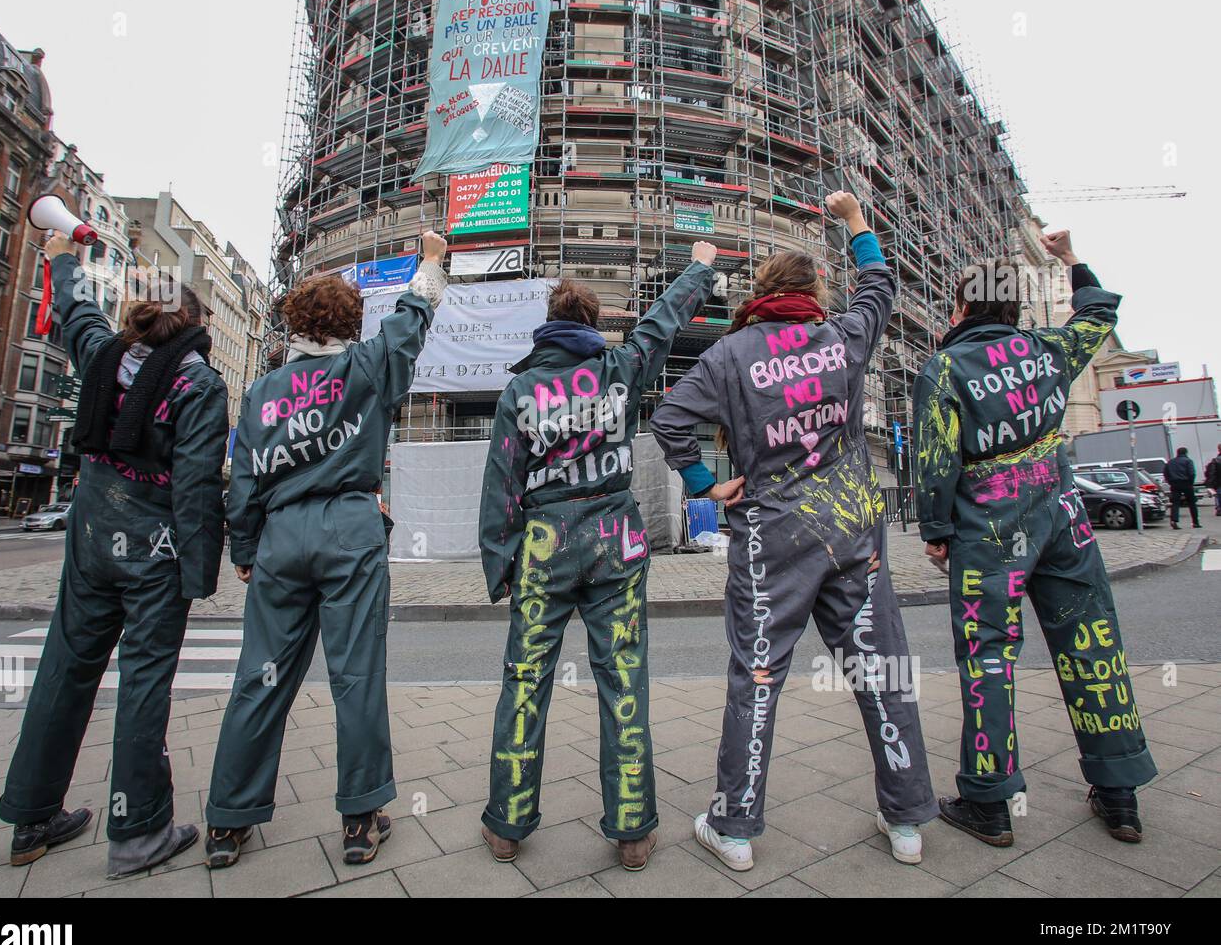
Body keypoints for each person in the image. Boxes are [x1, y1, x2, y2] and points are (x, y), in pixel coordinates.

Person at [649, 193, 938, 871]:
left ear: (762, 293)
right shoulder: (843, 337)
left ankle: (737, 828)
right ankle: (906, 823)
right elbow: (880, 284)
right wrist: (856, 221)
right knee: (880, 669)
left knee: (756, 674)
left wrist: (702, 484)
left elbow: (668, 418)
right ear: (813, 293)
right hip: (853, 532)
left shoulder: (730, 355)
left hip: (770, 539)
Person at [204, 231, 448, 869]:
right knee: (357, 675)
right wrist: (428, 260)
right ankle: (361, 819)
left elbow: (243, 479)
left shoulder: (260, 395)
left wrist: (246, 547)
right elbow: (413, 317)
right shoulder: (368, 367)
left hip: (282, 535)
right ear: (350, 323)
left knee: (259, 676)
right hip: (350, 526)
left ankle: (228, 823)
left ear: (294, 327)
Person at [477, 241, 720, 872]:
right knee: (624, 680)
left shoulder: (521, 391)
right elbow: (662, 322)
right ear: (589, 327)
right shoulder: (619, 369)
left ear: (548, 329)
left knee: (525, 682)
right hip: (616, 538)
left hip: (543, 542)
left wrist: (499, 564)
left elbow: (502, 483)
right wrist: (700, 265)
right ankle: (633, 830)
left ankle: (507, 826)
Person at [913, 230, 1157, 847]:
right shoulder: (1048, 349)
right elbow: (1099, 313)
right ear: (1015, 312)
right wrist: (1072, 259)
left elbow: (936, 457)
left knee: (989, 658)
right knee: (1093, 644)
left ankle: (991, 803)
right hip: (1063, 517)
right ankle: (1119, 793)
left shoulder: (946, 366)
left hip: (988, 530)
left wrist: (937, 530)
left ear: (962, 310)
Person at [0, 231, 229, 877]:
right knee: (144, 684)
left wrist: (60, 256)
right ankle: (137, 830)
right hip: (154, 550)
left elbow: (76, 310)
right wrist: (198, 570)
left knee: (65, 668)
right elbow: (195, 488)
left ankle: (32, 814)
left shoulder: (103, 355)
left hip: (93, 541)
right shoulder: (196, 384)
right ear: (191, 324)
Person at [1165, 447, 1201, 529]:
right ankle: (1195, 522)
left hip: (1174, 484)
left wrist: (1170, 482)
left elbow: (1166, 473)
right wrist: (1190, 483)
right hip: (1186, 483)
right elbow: (1192, 473)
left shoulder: (1170, 462)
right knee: (1192, 503)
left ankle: (1174, 520)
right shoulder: (1188, 461)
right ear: (1186, 453)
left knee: (1175, 503)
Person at [1205, 444, 1221, 517]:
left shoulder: (1216, 460)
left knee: (1218, 495)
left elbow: (1212, 473)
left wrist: (1210, 483)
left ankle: (1219, 508)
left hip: (1219, 482)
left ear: (1218, 450)